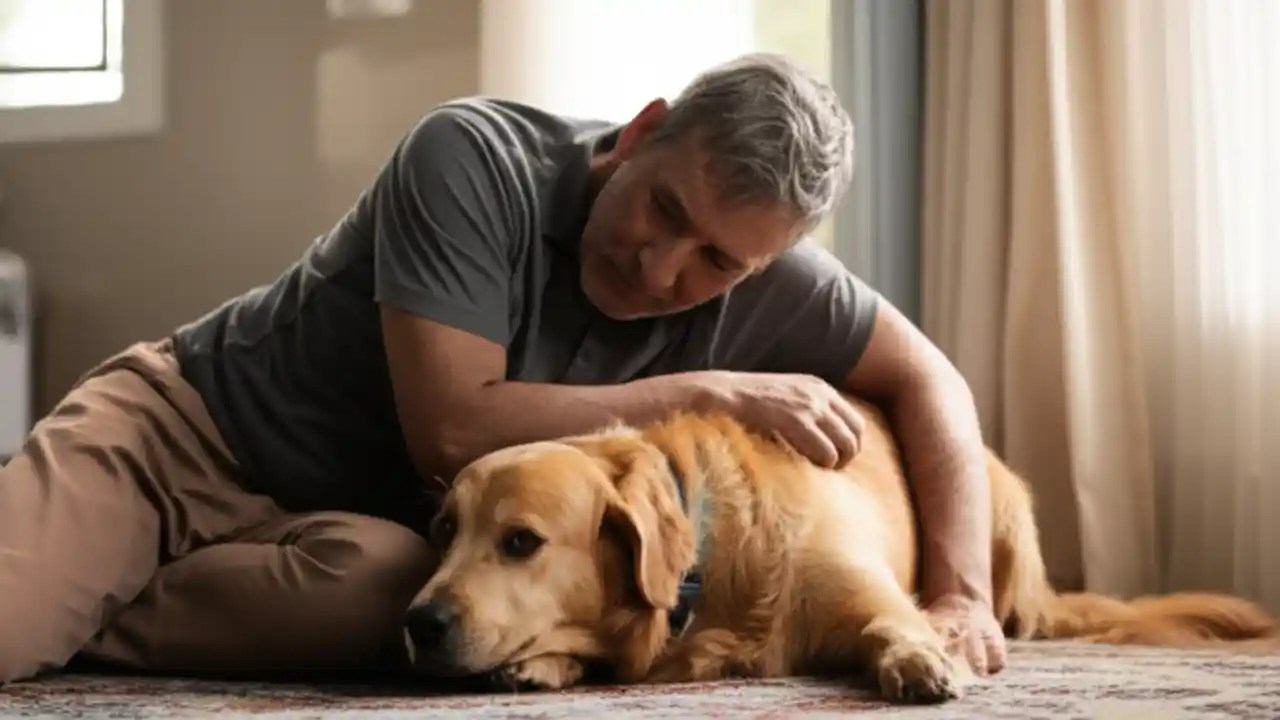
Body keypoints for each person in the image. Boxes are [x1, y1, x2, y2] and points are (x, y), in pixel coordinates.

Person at [0, 53, 1005, 685]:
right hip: (187, 434)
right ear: (643, 132)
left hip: (359, 534)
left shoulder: (771, 276)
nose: (664, 268)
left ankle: (85, 594)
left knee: (401, 614)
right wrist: (705, 387)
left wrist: (958, 593)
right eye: (663, 211)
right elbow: (450, 427)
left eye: (716, 263)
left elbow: (933, 386)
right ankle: (61, 562)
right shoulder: (471, 156)